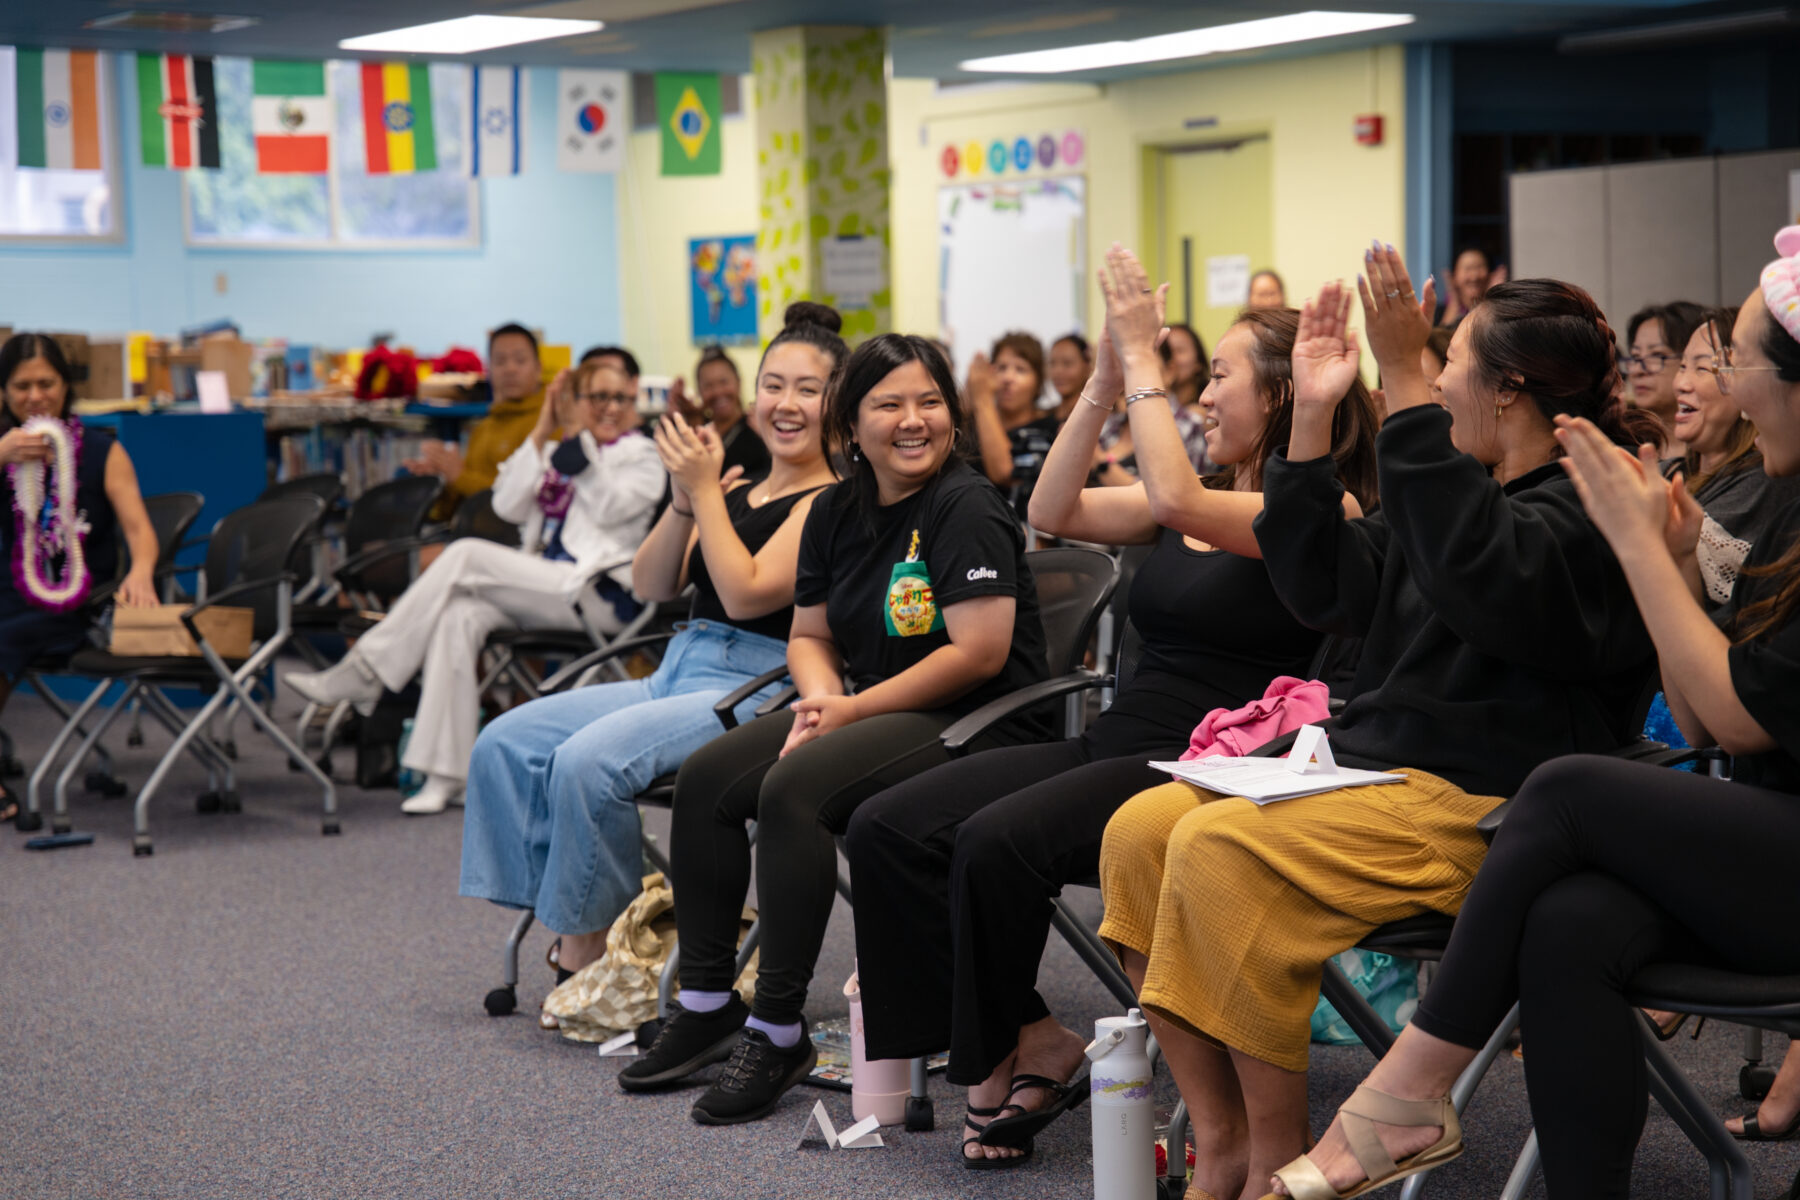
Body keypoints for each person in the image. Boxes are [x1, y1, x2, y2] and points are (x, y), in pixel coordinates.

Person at [1099, 244, 1659, 1200]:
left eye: (1450, 364)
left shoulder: (1593, 506)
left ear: (1510, 390)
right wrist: (1310, 420)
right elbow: (1322, 585)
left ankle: (1278, 1156)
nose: (1436, 379)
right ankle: (1226, 1138)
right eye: (1428, 364)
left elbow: (1488, 576)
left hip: (1493, 807)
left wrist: (1399, 377)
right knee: (1141, 833)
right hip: (1376, 773)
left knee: (1219, 852)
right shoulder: (1456, 492)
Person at [1266, 226, 1800, 1200]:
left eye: (1732, 364)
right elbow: (1707, 712)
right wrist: (1674, 564)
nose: (1707, 386)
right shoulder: (1766, 499)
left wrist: (1647, 555)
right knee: (1568, 922)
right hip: (1754, 832)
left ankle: (1408, 1087)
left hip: (1766, 840)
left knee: (1563, 791)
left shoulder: (1579, 503)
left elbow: (1740, 726)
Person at [844, 247, 1381, 1169]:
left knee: (993, 841)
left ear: (1285, 401)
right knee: (889, 824)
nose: (1205, 398)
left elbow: (1170, 490)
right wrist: (1102, 381)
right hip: (1117, 739)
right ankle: (1030, 1036)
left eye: (1219, 379)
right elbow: (1051, 509)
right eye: (1199, 378)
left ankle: (995, 1068)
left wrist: (1143, 362)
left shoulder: (1315, 511)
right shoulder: (1198, 501)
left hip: (1209, 768)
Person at [616, 334, 1050, 1126]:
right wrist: (819, 700)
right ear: (851, 424)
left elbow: (981, 652)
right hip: (878, 710)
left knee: (794, 790)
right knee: (712, 776)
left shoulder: (966, 504)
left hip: (982, 721)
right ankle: (708, 999)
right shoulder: (837, 511)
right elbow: (810, 635)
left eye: (929, 403)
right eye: (889, 405)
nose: (913, 421)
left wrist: (847, 710)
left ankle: (777, 1026)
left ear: (952, 416)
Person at [457, 304, 843, 1020]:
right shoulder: (735, 485)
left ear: (838, 403)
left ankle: (594, 952)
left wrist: (703, 495)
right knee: (505, 741)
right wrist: (684, 500)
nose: (785, 405)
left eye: (808, 390)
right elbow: (653, 585)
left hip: (756, 684)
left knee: (583, 763)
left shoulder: (831, 501)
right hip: (680, 665)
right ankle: (600, 930)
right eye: (773, 385)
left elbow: (748, 590)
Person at [284, 356, 664, 815]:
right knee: (459, 614)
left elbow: (609, 508)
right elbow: (507, 505)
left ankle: (367, 670)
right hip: (546, 585)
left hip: (598, 594)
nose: (610, 407)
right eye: (598, 397)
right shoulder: (557, 451)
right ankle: (447, 775)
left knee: (462, 554)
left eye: (620, 398)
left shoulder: (643, 456)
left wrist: (576, 442)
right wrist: (544, 429)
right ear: (575, 401)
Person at [0, 333, 159, 823]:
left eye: (46, 383)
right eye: (21, 385)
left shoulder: (101, 451)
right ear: (4, 393)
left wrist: (143, 571)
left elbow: (139, 529)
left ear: (66, 387)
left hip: (74, 602)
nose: (34, 396)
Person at [1660, 307, 1800, 608]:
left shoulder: (1768, 478)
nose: (1681, 383)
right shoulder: (1672, 470)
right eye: (1682, 366)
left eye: (1702, 368)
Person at [408, 323, 548, 520]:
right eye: (500, 361)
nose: (510, 369)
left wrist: (459, 476)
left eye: (520, 360)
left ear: (538, 368)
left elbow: (529, 501)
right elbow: (459, 504)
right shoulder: (483, 427)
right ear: (489, 369)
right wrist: (441, 478)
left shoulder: (548, 425)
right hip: (468, 533)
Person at [967, 332, 1059, 519]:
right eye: (1001, 368)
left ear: (1038, 380)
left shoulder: (1049, 428)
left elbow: (1005, 474)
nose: (1008, 378)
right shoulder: (972, 424)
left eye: (1020, 369)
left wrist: (983, 400)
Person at [669, 346, 770, 482]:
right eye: (708, 386)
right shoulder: (699, 427)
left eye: (724, 382)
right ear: (699, 390)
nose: (718, 392)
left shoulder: (755, 431)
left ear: (738, 382)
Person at [1623, 301, 1708, 454]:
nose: (1637, 370)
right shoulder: (1625, 445)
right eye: (1635, 356)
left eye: (1657, 355)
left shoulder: (1714, 456)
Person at [1436, 246, 1505, 328]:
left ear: (1490, 274)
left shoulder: (1501, 310)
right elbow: (1441, 339)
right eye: (1467, 269)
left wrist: (1492, 298)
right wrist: (1454, 303)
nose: (1474, 277)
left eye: (1479, 267)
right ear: (1454, 276)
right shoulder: (1438, 313)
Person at [1049, 334, 1093, 422]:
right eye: (1052, 363)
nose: (1058, 371)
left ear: (1087, 367)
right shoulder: (1043, 417)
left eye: (1067, 363)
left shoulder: (1096, 417)